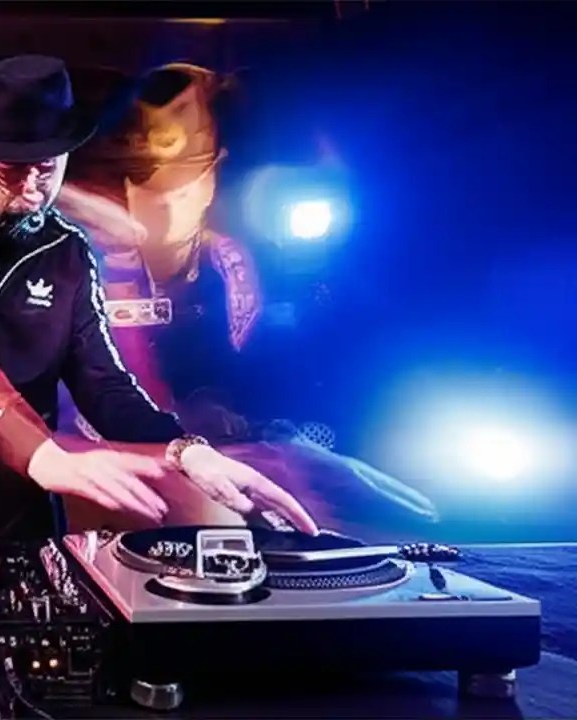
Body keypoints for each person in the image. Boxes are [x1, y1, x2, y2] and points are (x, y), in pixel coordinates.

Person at [0, 55, 318, 544]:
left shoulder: (70, 250)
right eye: (11, 171)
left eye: (46, 168)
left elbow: (104, 382)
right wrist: (41, 453)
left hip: (25, 497)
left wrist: (188, 452)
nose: (31, 190)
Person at [58, 63, 437, 538]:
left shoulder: (227, 263)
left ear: (215, 172)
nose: (168, 202)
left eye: (188, 179)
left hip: (214, 444)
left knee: (403, 512)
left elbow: (237, 368)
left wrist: (244, 425)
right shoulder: (76, 255)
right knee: (224, 525)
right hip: (101, 449)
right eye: (146, 181)